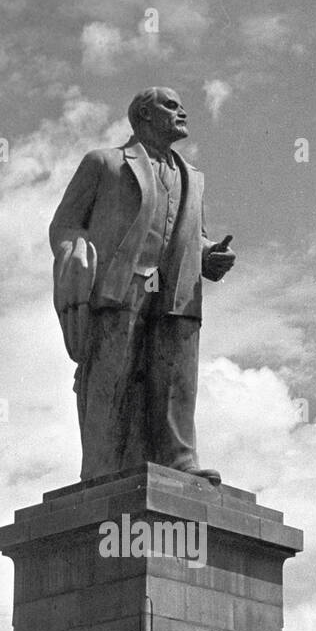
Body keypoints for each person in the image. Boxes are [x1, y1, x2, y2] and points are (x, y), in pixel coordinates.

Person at [50, 87, 236, 483]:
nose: (182, 111)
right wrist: (77, 254)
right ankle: (102, 468)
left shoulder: (194, 178)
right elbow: (64, 224)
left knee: (176, 379)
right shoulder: (104, 163)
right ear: (144, 116)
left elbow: (192, 234)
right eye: (171, 106)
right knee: (110, 377)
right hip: (121, 284)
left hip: (176, 290)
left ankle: (179, 461)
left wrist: (209, 255)